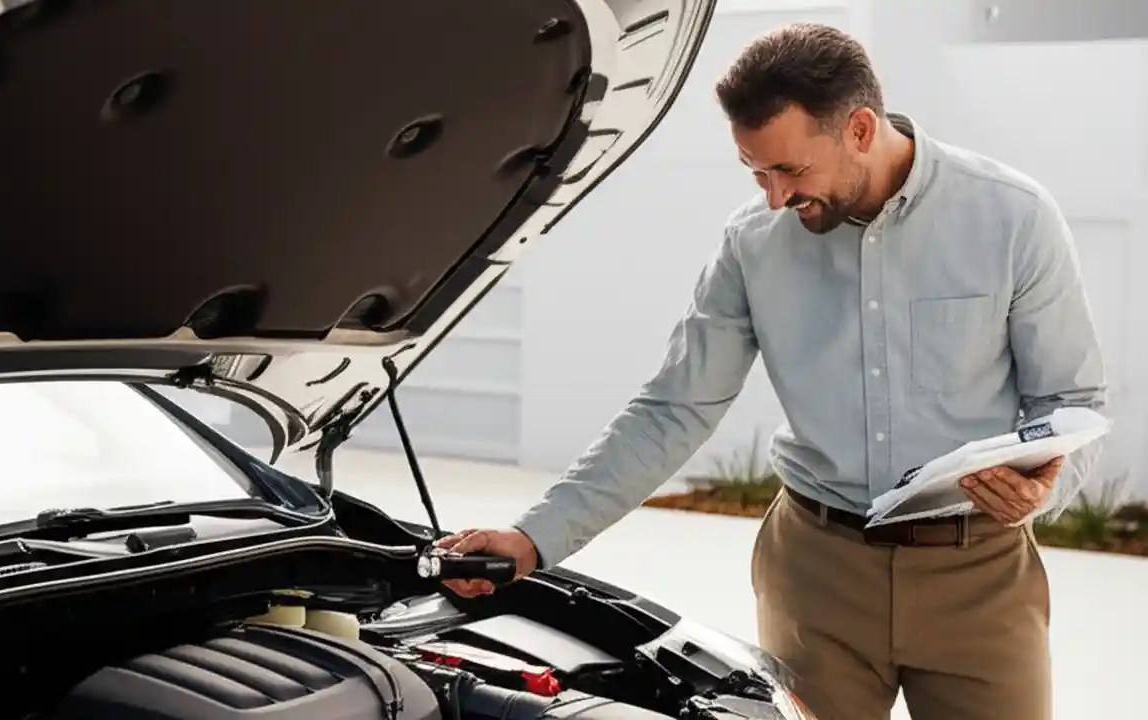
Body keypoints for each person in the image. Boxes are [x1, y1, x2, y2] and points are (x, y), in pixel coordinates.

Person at [435, 22, 1106, 720]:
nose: (776, 199)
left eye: (790, 170)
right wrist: (535, 537)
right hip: (817, 576)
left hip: (981, 577)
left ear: (860, 129)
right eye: (756, 172)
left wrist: (1040, 493)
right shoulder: (753, 245)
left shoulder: (1012, 218)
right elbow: (674, 409)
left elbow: (1070, 399)